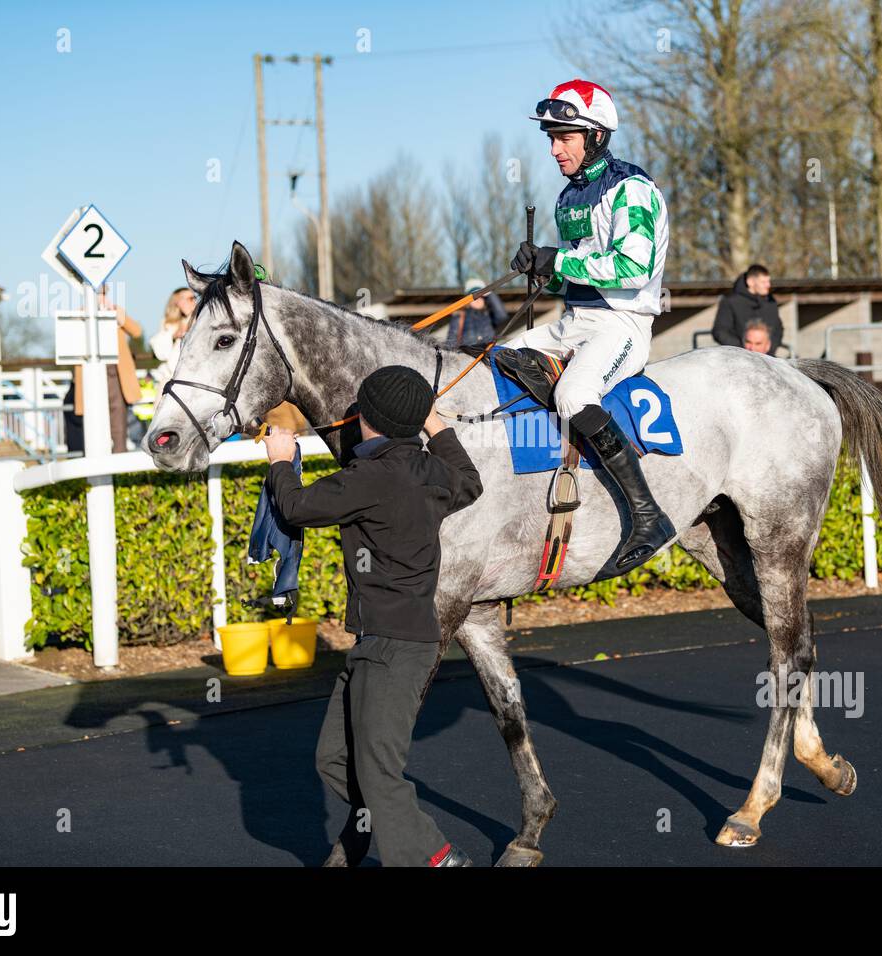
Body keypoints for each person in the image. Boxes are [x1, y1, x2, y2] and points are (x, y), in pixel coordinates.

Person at [261, 365, 482, 867]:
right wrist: (438, 426)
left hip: (393, 647)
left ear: (364, 417)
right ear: (416, 421)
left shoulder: (367, 478)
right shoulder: (432, 471)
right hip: (383, 642)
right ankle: (384, 825)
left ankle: (438, 859)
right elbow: (471, 481)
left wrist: (280, 460)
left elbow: (296, 508)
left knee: (380, 775)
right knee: (334, 761)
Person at [495, 78, 676, 577]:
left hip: (623, 325)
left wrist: (560, 261)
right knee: (497, 356)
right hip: (575, 322)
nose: (554, 149)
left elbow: (632, 271)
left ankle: (648, 516)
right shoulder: (566, 199)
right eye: (551, 138)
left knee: (574, 396)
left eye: (565, 137)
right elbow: (572, 281)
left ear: (596, 135)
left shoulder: (631, 190)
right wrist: (542, 269)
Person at [64, 288, 143, 454]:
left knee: (118, 425)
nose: (99, 297)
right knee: (92, 424)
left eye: (102, 293)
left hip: (115, 372)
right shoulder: (80, 313)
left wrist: (119, 316)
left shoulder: (116, 311)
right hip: (89, 372)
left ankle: (119, 467)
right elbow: (70, 339)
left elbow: (137, 332)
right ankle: (94, 465)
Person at [712, 264, 783, 355]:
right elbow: (720, 331)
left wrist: (769, 348)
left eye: (768, 281)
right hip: (737, 356)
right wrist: (744, 350)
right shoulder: (730, 302)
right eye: (763, 282)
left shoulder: (771, 302)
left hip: (768, 357)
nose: (768, 285)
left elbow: (778, 329)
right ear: (750, 282)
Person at [149, 286, 197, 388]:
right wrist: (173, 336)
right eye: (190, 299)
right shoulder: (167, 324)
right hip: (170, 376)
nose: (194, 301)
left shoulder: (201, 319)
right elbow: (162, 353)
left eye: (194, 297)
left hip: (193, 376)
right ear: (177, 302)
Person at [447, 277, 506, 348]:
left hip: (488, 355)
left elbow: (502, 316)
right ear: (467, 300)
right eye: (475, 297)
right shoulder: (459, 316)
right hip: (468, 357)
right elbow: (451, 342)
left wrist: (489, 293)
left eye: (481, 296)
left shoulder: (489, 315)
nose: (478, 300)